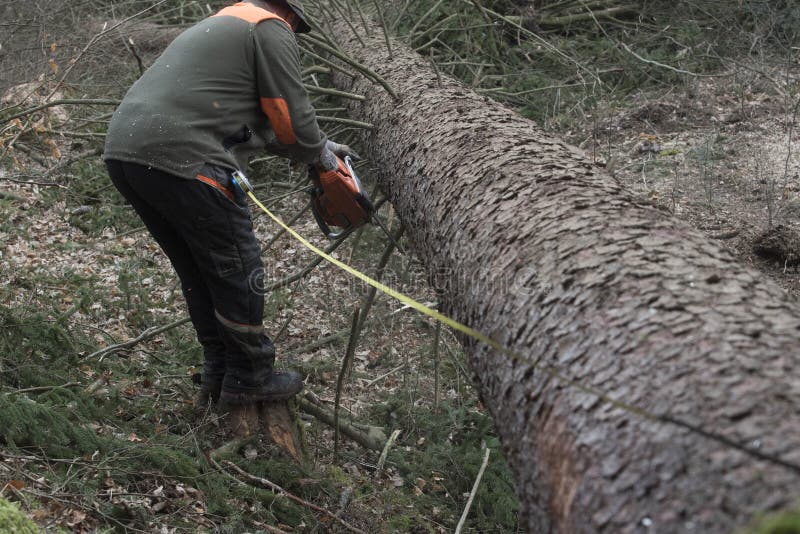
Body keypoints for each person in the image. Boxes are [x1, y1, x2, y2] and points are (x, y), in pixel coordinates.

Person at [103, 0, 356, 406]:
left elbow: (245, 121)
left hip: (128, 152)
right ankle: (249, 376)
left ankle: (218, 374)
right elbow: (290, 115)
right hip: (187, 157)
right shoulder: (269, 26)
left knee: (202, 272)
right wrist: (318, 152)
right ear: (291, 13)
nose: (294, 29)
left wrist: (318, 148)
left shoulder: (224, 24)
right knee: (239, 267)